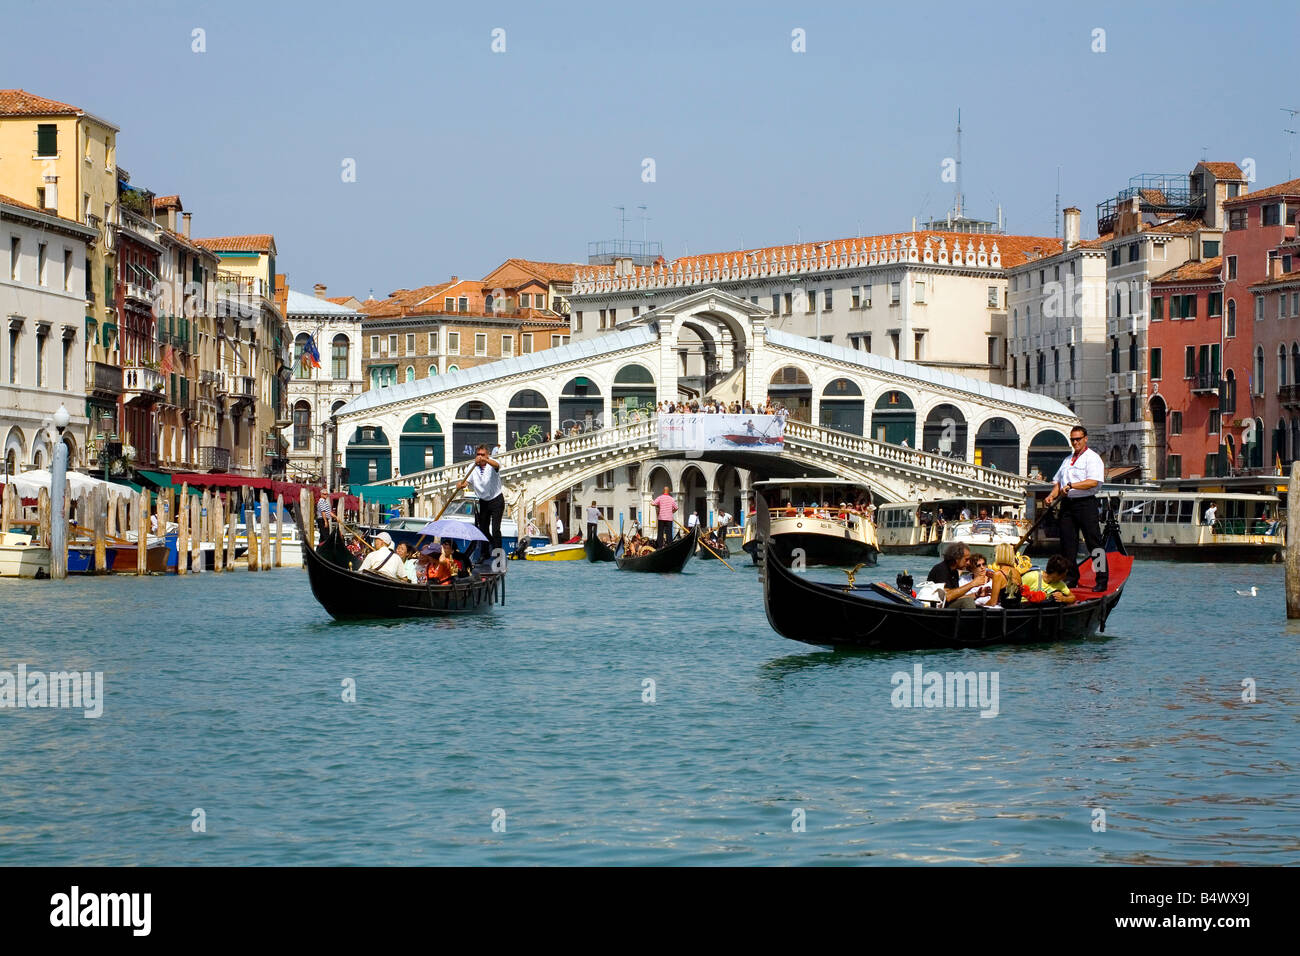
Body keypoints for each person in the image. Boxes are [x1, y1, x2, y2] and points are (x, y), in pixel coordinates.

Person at [1044, 425, 1106, 591]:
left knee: (1095, 544)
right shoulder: (1067, 460)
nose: (1075, 442)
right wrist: (1052, 495)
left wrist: (1072, 486)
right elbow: (1059, 483)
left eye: (1078, 439)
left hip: (1086, 504)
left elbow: (1093, 481)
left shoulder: (1092, 458)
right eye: (1072, 439)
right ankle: (1071, 577)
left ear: (1085, 439)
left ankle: (1101, 579)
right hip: (1068, 505)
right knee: (1067, 544)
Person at [457, 444, 504, 565]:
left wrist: (486, 460)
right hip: (483, 501)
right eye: (478, 455)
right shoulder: (471, 467)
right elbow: (466, 482)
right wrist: (461, 485)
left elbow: (497, 466)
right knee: (483, 529)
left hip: (496, 499)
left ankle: (499, 556)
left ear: (487, 455)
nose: (480, 457)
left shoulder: (493, 464)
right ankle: (485, 553)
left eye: (482, 455)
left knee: (495, 529)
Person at [926, 542, 986, 609]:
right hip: (937, 609)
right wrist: (973, 584)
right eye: (966, 559)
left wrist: (976, 594)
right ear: (957, 558)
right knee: (967, 602)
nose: (968, 563)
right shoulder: (941, 570)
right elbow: (947, 597)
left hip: (947, 606)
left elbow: (956, 596)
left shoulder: (954, 572)